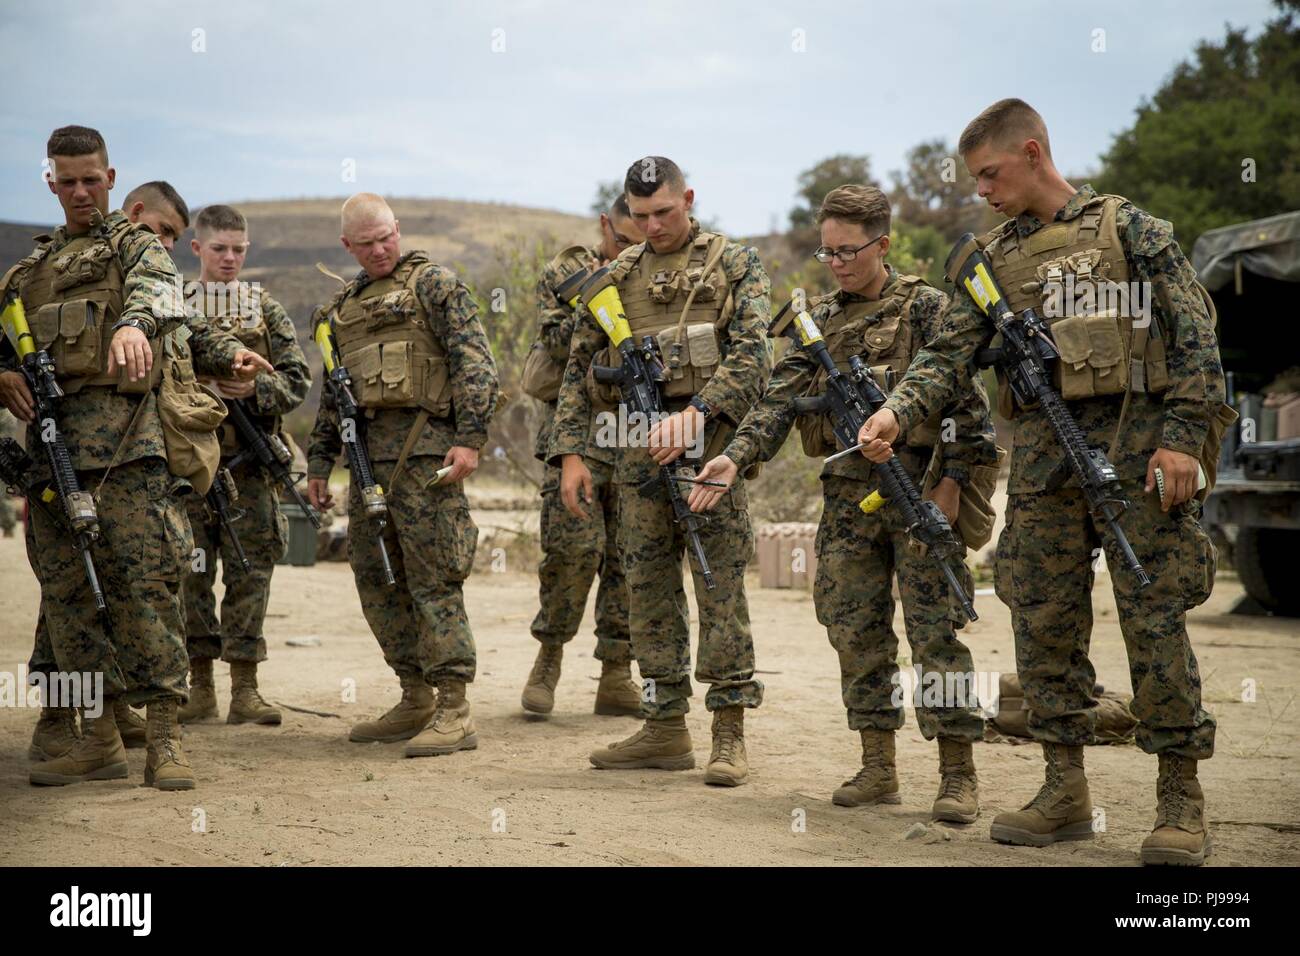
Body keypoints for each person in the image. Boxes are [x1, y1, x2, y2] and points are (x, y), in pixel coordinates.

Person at [857, 99, 1228, 865]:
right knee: (1043, 621)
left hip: (1138, 451)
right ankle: (1065, 789)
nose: (982, 191)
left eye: (991, 174)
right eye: (975, 180)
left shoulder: (1131, 230)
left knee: (1153, 618)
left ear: (1032, 152)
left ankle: (1180, 800)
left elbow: (1196, 339)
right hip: (1043, 462)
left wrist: (1186, 440)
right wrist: (895, 412)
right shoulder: (990, 261)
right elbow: (946, 355)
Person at [690, 185, 995, 820]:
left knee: (935, 636)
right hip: (850, 502)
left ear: (883, 244)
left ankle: (957, 773)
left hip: (919, 495)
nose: (837, 263)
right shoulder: (817, 321)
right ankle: (878, 765)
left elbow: (969, 410)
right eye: (826, 252)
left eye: (848, 251)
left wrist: (947, 487)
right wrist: (735, 456)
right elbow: (777, 401)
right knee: (855, 632)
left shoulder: (929, 310)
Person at [0, 125, 273, 790]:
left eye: (91, 178)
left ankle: (166, 737)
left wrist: (137, 325)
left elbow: (164, 298)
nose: (80, 191)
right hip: (55, 462)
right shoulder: (27, 275)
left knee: (147, 591)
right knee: (69, 602)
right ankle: (96, 735)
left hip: (130, 452)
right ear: (50, 183)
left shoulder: (136, 251)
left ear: (112, 179)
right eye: (67, 181)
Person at [550, 157, 771, 786]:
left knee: (717, 582)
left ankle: (728, 730)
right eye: (640, 216)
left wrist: (699, 412)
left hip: (711, 452)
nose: (652, 226)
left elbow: (757, 355)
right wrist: (572, 454)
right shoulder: (613, 277)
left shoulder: (734, 263)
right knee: (646, 587)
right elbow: (577, 369)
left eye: (664, 213)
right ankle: (664, 726)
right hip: (635, 455)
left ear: (690, 199)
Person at [307, 193, 498, 758]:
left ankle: (454, 707)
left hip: (428, 461)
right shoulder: (341, 312)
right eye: (365, 244)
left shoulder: (436, 287)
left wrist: (470, 438)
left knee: (434, 577)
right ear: (347, 246)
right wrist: (320, 464)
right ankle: (414, 695)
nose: (378, 250)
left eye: (385, 237)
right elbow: (331, 396)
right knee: (377, 578)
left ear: (399, 228)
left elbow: (475, 362)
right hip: (368, 470)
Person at [179, 204, 311, 726]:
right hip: (188, 468)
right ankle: (199, 686)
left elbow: (298, 381)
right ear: (197, 249)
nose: (229, 259)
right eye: (219, 249)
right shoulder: (174, 304)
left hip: (249, 467)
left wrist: (257, 388)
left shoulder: (265, 309)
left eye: (238, 249)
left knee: (251, 572)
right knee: (189, 575)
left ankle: (246, 688)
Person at [519, 195, 644, 718]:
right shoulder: (568, 269)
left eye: (638, 244)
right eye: (621, 240)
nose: (628, 252)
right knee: (572, 552)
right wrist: (605, 303)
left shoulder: (663, 272)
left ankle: (616, 674)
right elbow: (555, 338)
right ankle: (548, 658)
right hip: (580, 437)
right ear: (604, 226)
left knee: (630, 561)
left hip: (638, 435)